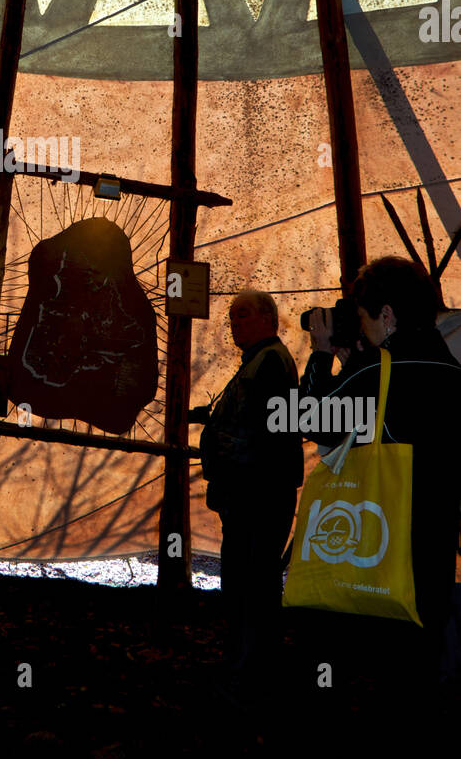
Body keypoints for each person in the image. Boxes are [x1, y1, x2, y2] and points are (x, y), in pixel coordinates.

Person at [301, 256, 461, 645]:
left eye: (366, 317)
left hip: (379, 556)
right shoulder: (453, 373)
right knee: (427, 653)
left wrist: (321, 355)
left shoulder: (375, 371)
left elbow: (307, 418)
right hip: (436, 548)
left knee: (381, 667)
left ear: (387, 315)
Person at [197, 289, 301, 700]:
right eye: (232, 317)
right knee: (250, 580)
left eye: (242, 316)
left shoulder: (270, 364)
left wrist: (241, 476)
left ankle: (250, 669)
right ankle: (251, 665)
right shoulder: (259, 363)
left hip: (257, 495)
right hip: (253, 492)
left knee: (249, 581)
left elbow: (272, 432)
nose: (234, 324)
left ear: (268, 319)